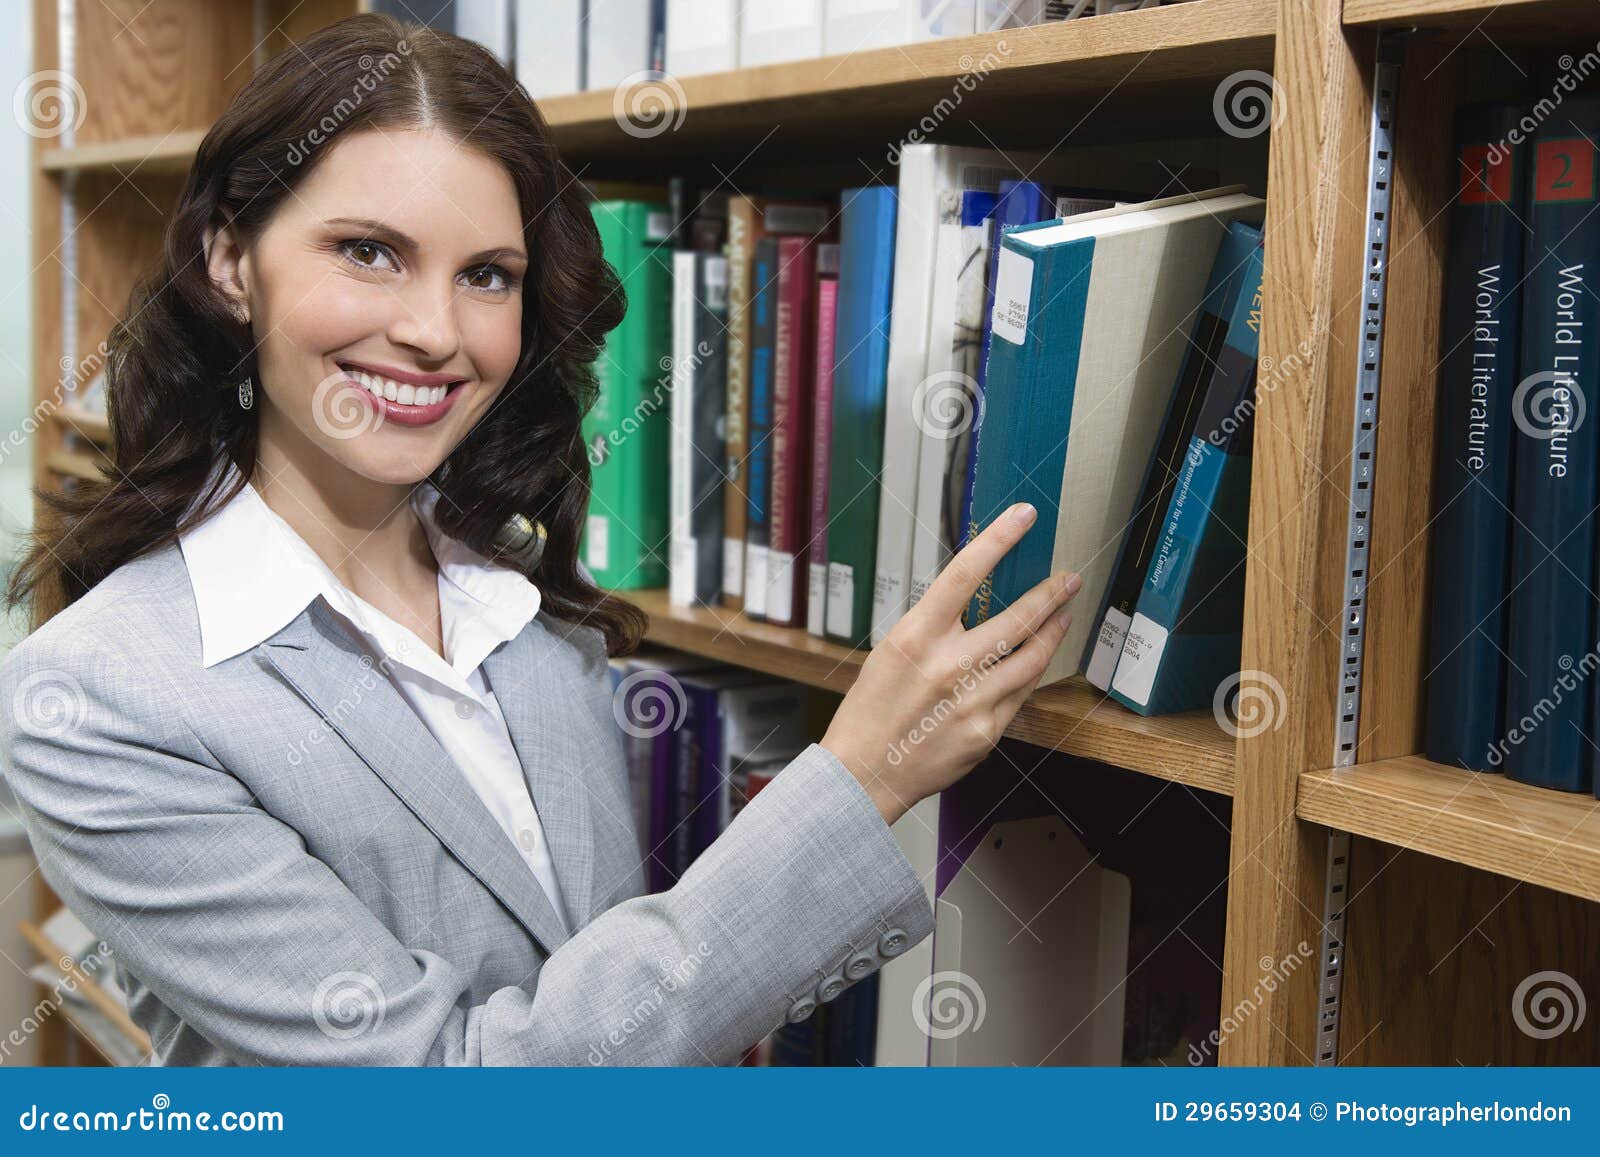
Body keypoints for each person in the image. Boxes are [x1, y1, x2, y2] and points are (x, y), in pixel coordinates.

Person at [0, 13, 1081, 1065]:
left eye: (487, 275)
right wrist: (859, 777)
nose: (435, 332)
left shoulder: (510, 582)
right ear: (231, 261)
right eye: (368, 251)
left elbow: (599, 971)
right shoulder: (99, 698)